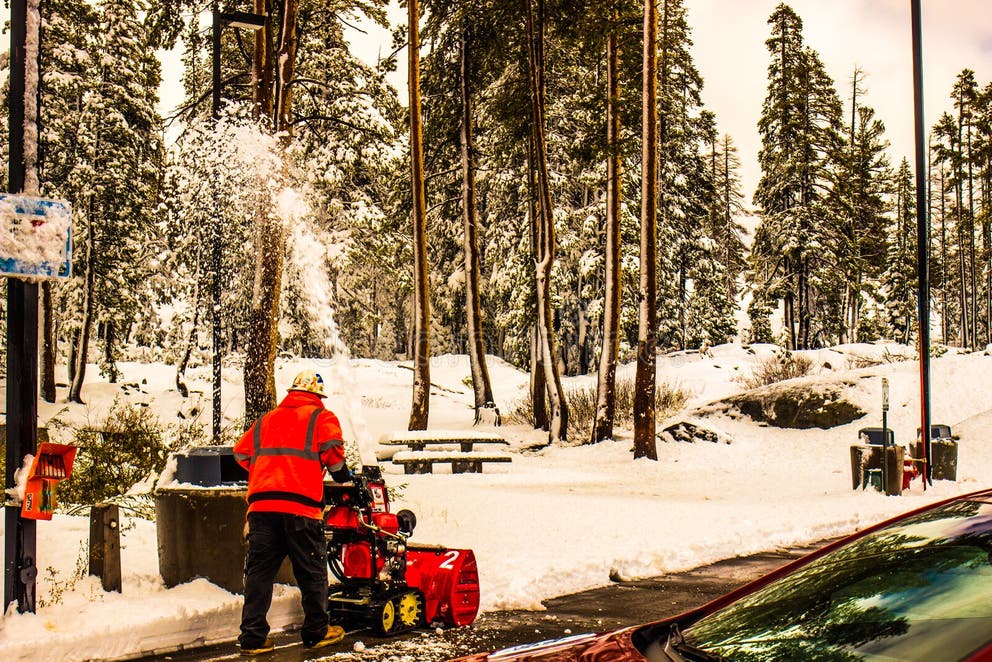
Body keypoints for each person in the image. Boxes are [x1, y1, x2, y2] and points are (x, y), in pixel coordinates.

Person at [233, 369, 351, 655]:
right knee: (311, 571)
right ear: (317, 395)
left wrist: (269, 475)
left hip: (262, 508)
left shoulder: (266, 420)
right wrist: (344, 477)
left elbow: (240, 453)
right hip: (300, 508)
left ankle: (253, 638)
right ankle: (316, 631)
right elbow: (334, 459)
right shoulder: (321, 418)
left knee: (260, 573)